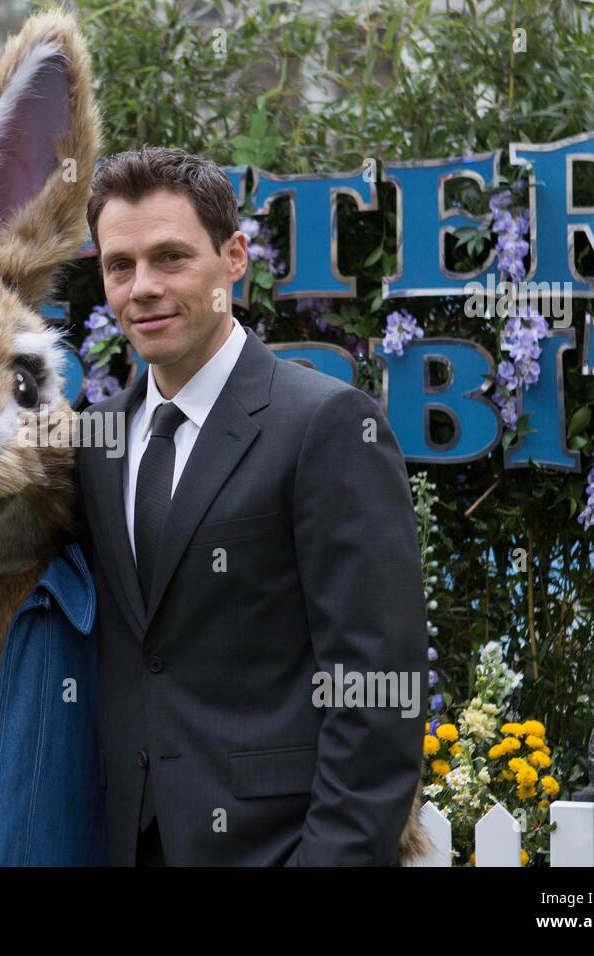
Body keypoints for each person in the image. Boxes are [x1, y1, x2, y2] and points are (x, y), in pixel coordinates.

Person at [75, 146, 428, 866]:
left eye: (171, 258)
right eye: (120, 265)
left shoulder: (325, 426)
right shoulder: (94, 442)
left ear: (234, 257)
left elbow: (376, 688)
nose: (142, 288)